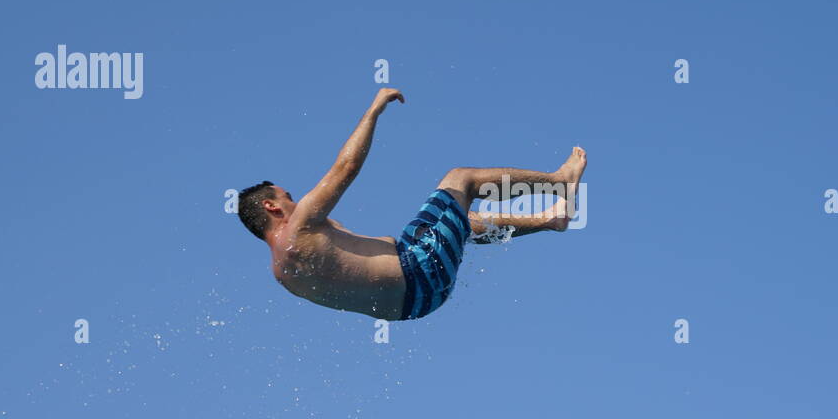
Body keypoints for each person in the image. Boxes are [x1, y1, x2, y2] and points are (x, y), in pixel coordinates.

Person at [237, 87, 586, 320]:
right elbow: (346, 168)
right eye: (288, 197)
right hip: (418, 266)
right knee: (460, 179)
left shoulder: (282, 274)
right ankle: (559, 182)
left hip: (415, 306)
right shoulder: (300, 228)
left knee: (460, 221)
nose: (295, 201)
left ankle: (549, 219)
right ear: (271, 207)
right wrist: (373, 111)